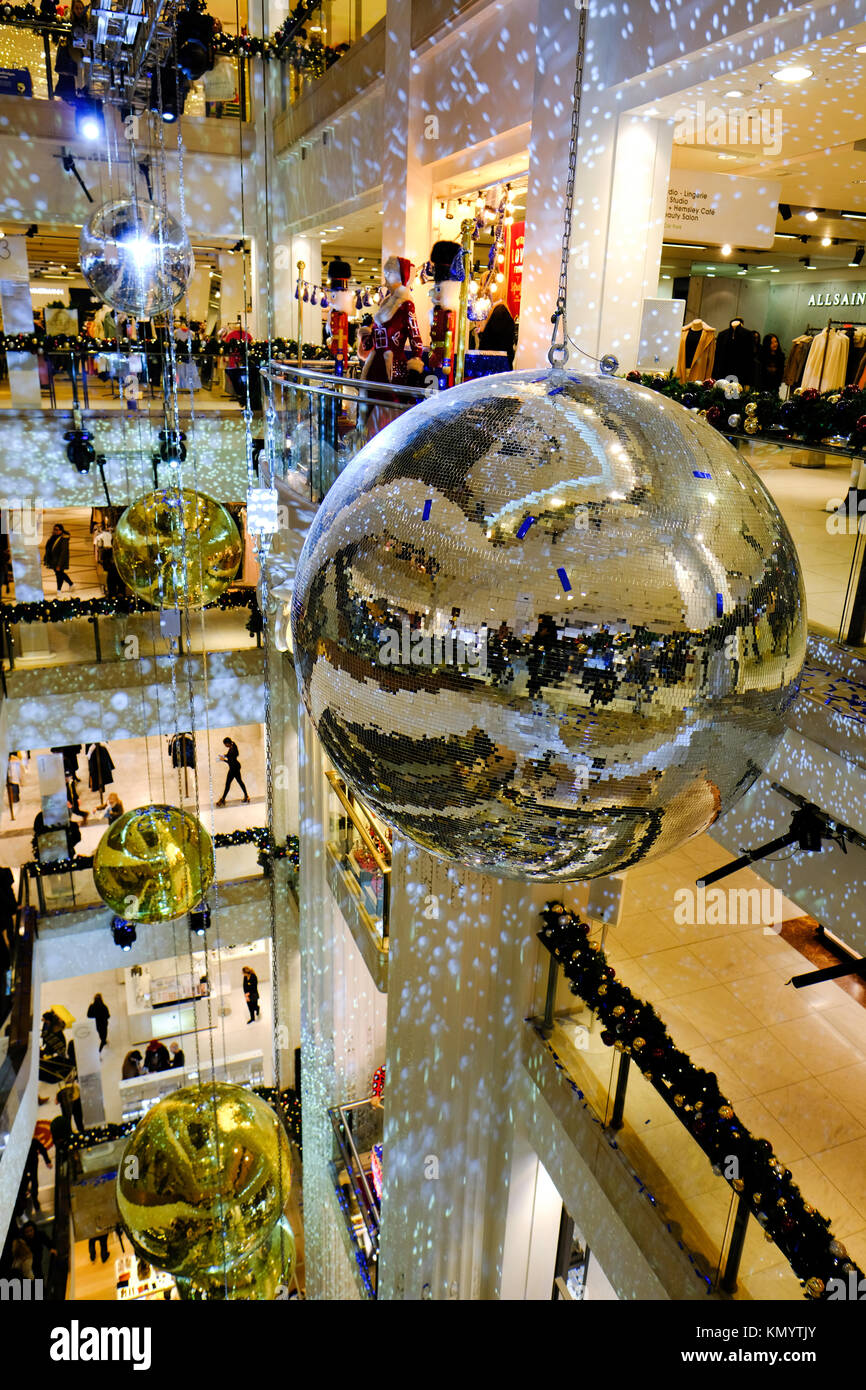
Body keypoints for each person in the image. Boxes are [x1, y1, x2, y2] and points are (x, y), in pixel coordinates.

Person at [478, 297, 517, 366]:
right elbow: (511, 352)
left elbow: (482, 347)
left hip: (488, 363)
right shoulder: (509, 326)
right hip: (504, 365)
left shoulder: (489, 329)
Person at [21, 1134, 52, 1212]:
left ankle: (34, 1197)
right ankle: (27, 1195)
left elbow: (42, 1149)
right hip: (24, 1164)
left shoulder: (33, 1141)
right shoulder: (29, 1141)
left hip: (32, 1162)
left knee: (33, 1180)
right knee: (26, 1180)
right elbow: (42, 1149)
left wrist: (47, 1161)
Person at [216, 737, 249, 806]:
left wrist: (223, 759)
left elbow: (230, 762)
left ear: (228, 743)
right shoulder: (233, 745)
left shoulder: (232, 750)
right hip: (235, 767)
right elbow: (231, 756)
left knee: (228, 784)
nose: (225, 746)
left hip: (233, 768)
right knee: (239, 782)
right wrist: (226, 755)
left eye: (225, 744)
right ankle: (246, 796)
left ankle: (223, 799)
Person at [43, 524, 73, 593]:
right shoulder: (53, 538)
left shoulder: (63, 539)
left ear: (61, 531)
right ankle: (71, 584)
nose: (55, 531)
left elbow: (63, 552)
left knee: (59, 575)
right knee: (60, 574)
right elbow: (49, 548)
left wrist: (59, 564)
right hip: (53, 560)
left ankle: (59, 590)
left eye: (57, 530)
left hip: (59, 561)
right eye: (54, 529)